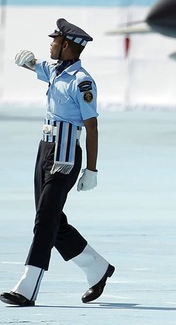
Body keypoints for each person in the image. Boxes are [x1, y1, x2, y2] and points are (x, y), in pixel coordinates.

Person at [2, 19, 114, 307]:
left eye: (54, 41)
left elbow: (92, 126)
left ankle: (28, 285)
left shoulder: (82, 81)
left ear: (66, 45)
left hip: (65, 153)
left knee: (44, 221)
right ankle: (96, 267)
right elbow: (36, 65)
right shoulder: (55, 70)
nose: (50, 44)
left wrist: (92, 168)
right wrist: (25, 61)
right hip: (45, 148)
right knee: (50, 218)